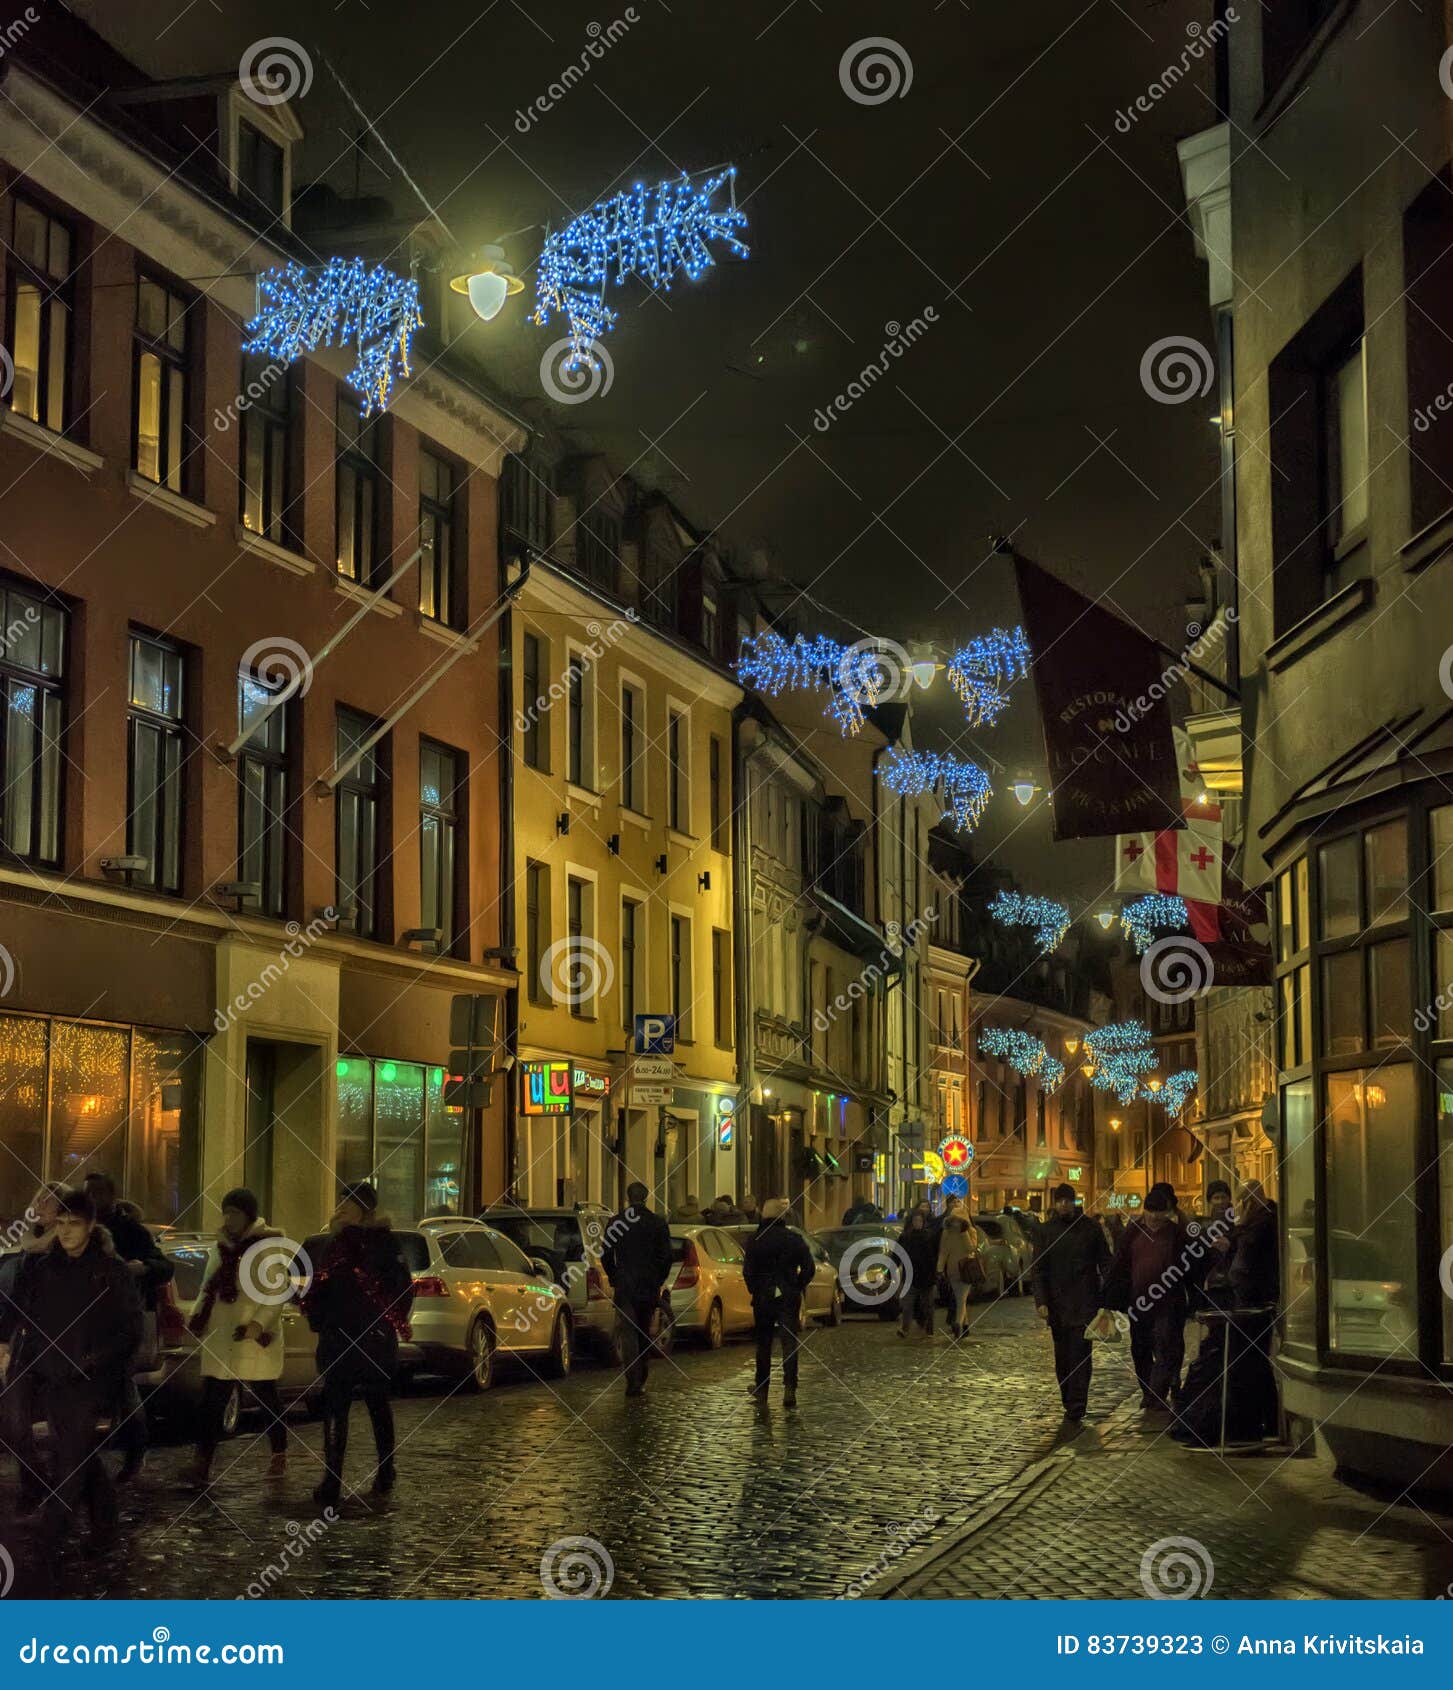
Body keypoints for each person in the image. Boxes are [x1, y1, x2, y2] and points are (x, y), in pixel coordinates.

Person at [6, 1188, 141, 1550]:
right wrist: (27, 1357)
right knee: (76, 1450)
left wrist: (93, 1361)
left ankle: (53, 1530)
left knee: (70, 1455)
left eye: (74, 1224)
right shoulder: (43, 1268)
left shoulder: (111, 1271)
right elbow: (24, 1316)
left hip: (91, 1380)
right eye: (61, 1223)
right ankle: (105, 1523)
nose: (65, 1231)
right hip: (53, 1377)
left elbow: (130, 1330)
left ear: (91, 1226)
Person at [301, 1183, 413, 1506]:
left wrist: (386, 1321)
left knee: (378, 1405)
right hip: (337, 1339)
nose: (340, 1211)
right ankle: (332, 1480)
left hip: (373, 1340)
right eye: (340, 1205)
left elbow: (402, 1288)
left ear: (364, 1212)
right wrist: (318, 1319)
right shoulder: (331, 1244)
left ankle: (385, 1469)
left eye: (348, 1207)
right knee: (335, 1409)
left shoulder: (383, 1244)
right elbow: (318, 1286)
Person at [180, 1188, 291, 1489]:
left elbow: (277, 1291)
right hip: (222, 1332)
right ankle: (201, 1465)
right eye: (226, 1212)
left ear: (249, 1215)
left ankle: (279, 1452)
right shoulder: (221, 1246)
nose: (229, 1219)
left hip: (252, 1335)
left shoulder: (268, 1246)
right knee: (212, 1401)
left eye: (236, 1213)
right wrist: (197, 1315)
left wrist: (258, 1323)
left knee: (266, 1397)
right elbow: (208, 1284)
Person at [81, 1172, 173, 1483]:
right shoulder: (80, 1226)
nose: (90, 1198)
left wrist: (142, 1267)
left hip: (124, 1319)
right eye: (86, 1193)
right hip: (88, 1322)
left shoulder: (131, 1231)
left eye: (96, 1192)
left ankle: (134, 1450)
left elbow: (162, 1266)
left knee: (121, 1385)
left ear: (109, 1194)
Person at [0, 1183, 64, 1514]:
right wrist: (3, 1340)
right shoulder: (27, 1251)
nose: (39, 1205)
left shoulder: (67, 1250)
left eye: (47, 1201)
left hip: (59, 1350)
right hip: (26, 1346)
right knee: (14, 1423)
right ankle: (34, 1484)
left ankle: (75, 1496)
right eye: (37, 1198)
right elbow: (14, 1303)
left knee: (62, 1427)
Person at [1103, 1182, 1192, 1414]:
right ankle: (1148, 1392)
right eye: (1150, 1212)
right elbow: (1118, 1265)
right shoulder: (1132, 1233)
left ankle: (1156, 1394)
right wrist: (1108, 1297)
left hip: (1168, 1302)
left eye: (1159, 1213)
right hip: (1138, 1303)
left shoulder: (1176, 1234)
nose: (1153, 1217)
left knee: (1165, 1347)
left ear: (1167, 1213)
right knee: (1140, 1349)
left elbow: (1191, 1266)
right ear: (1145, 1210)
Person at [1032, 1183, 1111, 1422]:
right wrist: (1041, 1301)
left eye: (1068, 1200)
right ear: (1055, 1203)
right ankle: (1068, 1398)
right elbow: (1039, 1270)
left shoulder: (1090, 1228)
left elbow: (1105, 1262)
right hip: (1057, 1305)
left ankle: (1077, 1403)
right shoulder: (1047, 1231)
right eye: (1060, 1201)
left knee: (1081, 1355)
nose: (1064, 1204)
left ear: (1075, 1202)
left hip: (1085, 1302)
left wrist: (1109, 1294)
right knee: (1062, 1358)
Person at [601, 1181, 673, 1399]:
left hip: (625, 1285)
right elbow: (666, 1257)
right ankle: (641, 1377)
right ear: (646, 1197)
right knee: (643, 1330)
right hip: (648, 1285)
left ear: (627, 1198)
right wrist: (658, 1278)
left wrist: (614, 1276)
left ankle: (632, 1379)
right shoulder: (657, 1223)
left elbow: (605, 1255)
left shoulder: (616, 1222)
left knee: (628, 1331)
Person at [742, 1198, 815, 1407]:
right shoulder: (793, 1239)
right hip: (788, 1296)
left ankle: (762, 1388)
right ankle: (790, 1388)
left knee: (763, 1344)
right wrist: (796, 1286)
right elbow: (809, 1268)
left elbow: (748, 1271)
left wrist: (755, 1289)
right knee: (789, 1343)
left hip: (763, 1297)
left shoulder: (756, 1239)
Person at [936, 1199, 980, 1337]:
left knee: (961, 1297)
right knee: (961, 1298)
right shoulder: (948, 1232)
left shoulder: (970, 1231)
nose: (956, 1223)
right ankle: (959, 1323)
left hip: (964, 1269)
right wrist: (939, 1269)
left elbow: (970, 1248)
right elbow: (944, 1251)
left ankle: (964, 1325)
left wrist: (964, 1233)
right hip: (957, 1269)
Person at [897, 1208, 939, 1338]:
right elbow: (897, 1254)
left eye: (920, 1220)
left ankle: (929, 1329)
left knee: (928, 1305)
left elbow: (936, 1255)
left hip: (927, 1277)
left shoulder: (930, 1236)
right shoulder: (905, 1237)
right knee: (907, 1305)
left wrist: (936, 1272)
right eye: (915, 1220)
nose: (917, 1223)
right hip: (910, 1277)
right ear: (911, 1222)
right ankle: (905, 1329)